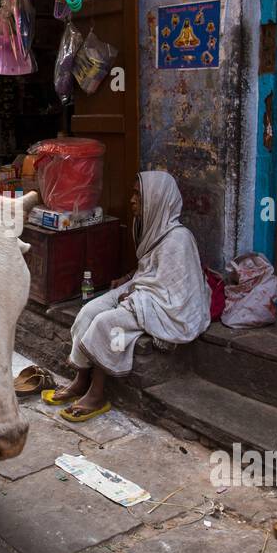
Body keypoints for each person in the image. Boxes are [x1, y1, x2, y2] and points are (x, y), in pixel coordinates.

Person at [48, 172, 212, 421]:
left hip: (161, 305)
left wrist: (136, 295)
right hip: (140, 289)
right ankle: (81, 378)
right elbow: (150, 270)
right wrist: (128, 279)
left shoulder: (180, 238)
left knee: (106, 323)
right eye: (133, 193)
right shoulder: (152, 229)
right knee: (89, 311)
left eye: (139, 195)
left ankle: (97, 392)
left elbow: (177, 292)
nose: (132, 200)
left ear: (158, 199)